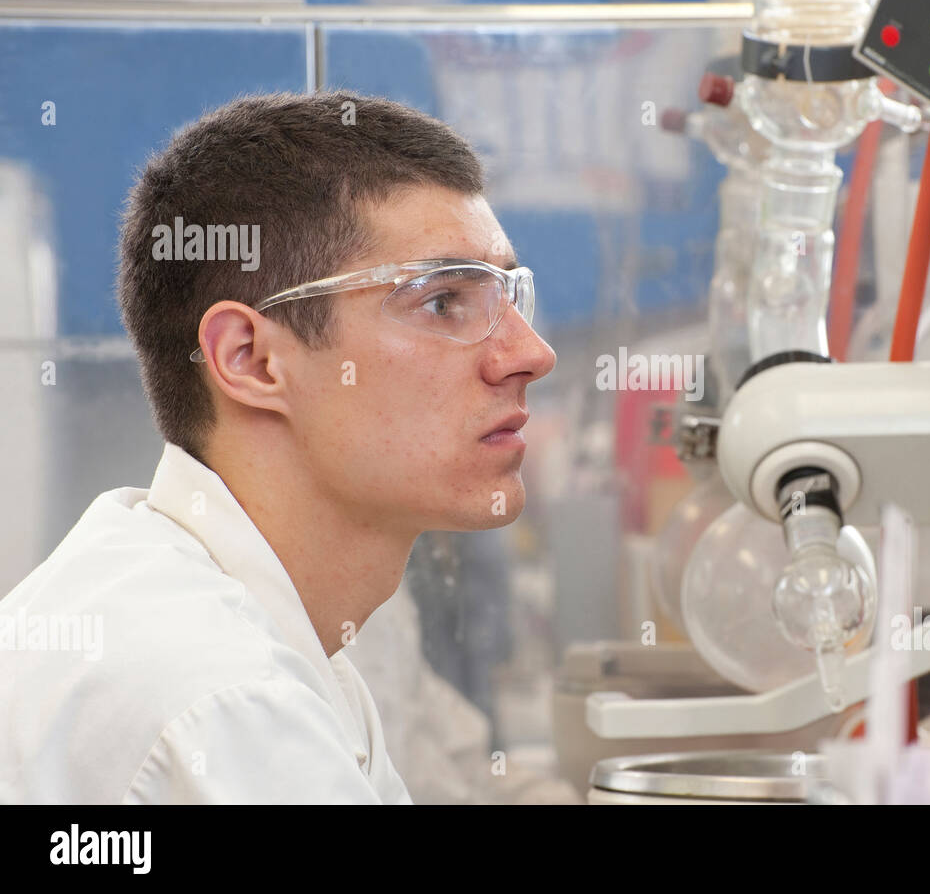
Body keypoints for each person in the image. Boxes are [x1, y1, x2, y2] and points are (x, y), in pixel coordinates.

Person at [0, 91, 556, 803]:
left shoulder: (259, 631)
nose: (529, 353)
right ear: (251, 359)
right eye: (444, 301)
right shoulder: (226, 698)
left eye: (509, 297)